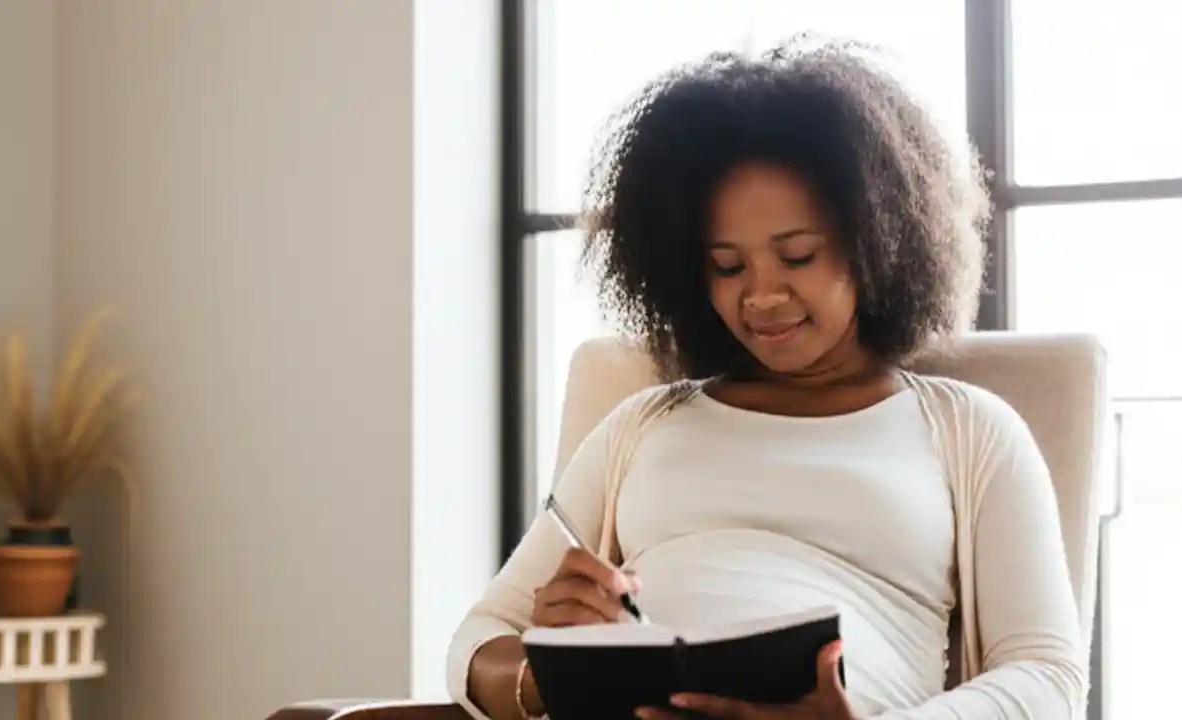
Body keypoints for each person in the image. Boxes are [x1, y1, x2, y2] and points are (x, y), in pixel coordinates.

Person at [448, 38, 1085, 719]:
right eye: (727, 266)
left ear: (878, 242)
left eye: (798, 256)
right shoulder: (642, 425)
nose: (762, 296)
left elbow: (1047, 679)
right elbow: (478, 644)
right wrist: (550, 671)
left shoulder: (970, 430)